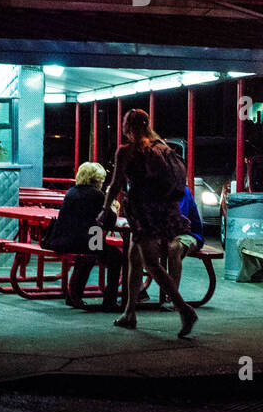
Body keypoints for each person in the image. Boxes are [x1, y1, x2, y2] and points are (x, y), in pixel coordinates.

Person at [98, 109, 197, 337]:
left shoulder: (127, 151)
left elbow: (116, 184)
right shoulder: (162, 147)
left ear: (127, 127)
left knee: (151, 263)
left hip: (144, 214)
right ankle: (129, 312)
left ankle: (184, 309)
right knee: (133, 257)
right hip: (165, 212)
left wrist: (105, 209)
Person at [41, 162, 123, 311]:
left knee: (93, 252)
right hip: (82, 240)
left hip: (63, 239)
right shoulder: (96, 195)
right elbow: (110, 222)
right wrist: (110, 203)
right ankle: (110, 300)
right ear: (96, 180)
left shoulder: (72, 192)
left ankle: (74, 295)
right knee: (116, 257)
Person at [167, 184, 205, 293]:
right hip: (164, 232)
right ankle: (139, 292)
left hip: (188, 234)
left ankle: (172, 296)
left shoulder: (179, 189)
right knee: (136, 245)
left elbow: (178, 221)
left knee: (174, 248)